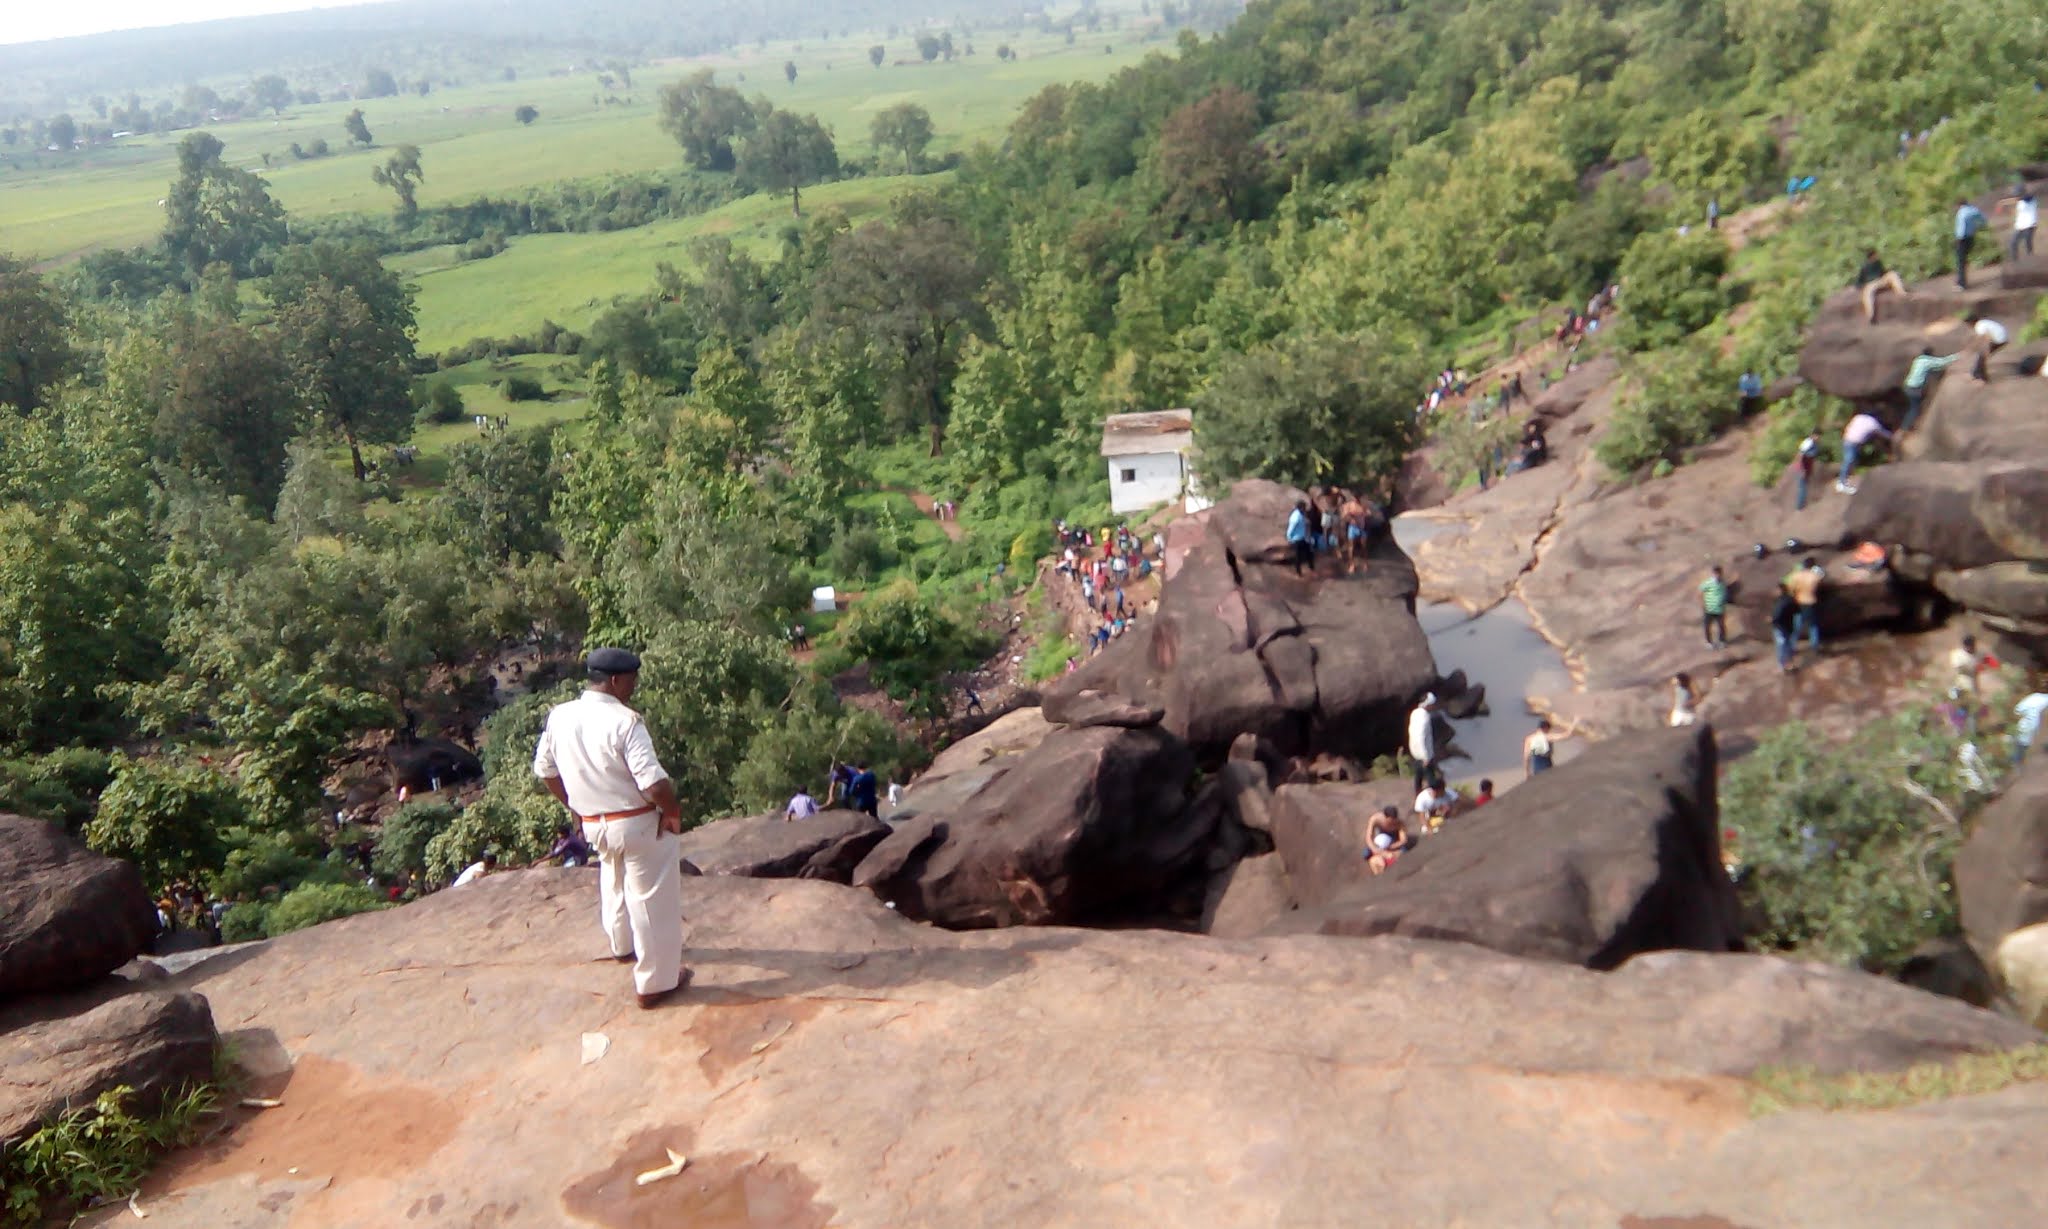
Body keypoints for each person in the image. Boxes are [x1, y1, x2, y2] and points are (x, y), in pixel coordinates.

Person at [533, 647, 689, 1010]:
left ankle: (622, 946)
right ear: (617, 681)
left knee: (613, 879)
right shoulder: (625, 721)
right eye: (632, 681)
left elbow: (545, 770)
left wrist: (574, 806)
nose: (633, 688)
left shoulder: (561, 715)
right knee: (651, 900)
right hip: (634, 820)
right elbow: (652, 783)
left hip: (594, 824)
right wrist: (673, 811)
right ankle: (654, 984)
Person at [1902, 347, 1961, 433]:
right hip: (1915, 389)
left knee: (1911, 407)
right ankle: (1907, 428)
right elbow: (1942, 363)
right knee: (1914, 409)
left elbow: (1936, 367)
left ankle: (1905, 426)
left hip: (1907, 386)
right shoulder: (1927, 361)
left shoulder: (1918, 360)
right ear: (1930, 354)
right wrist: (1958, 356)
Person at [1837, 412, 1893, 494]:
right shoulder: (1873, 423)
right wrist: (1892, 436)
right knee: (1849, 460)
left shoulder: (1859, 417)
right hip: (1854, 442)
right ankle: (1842, 483)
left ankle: (1845, 478)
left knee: (1851, 460)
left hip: (1847, 439)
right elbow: (1882, 433)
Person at [1855, 250, 1911, 323]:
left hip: (1881, 280)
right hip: (1871, 283)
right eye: (1875, 255)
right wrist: (1863, 286)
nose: (1877, 257)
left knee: (1893, 274)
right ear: (1871, 256)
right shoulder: (1864, 267)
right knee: (1867, 294)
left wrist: (1889, 272)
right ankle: (1870, 315)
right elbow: (1859, 282)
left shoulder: (1878, 263)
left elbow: (1883, 272)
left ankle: (1901, 292)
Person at [1784, 557, 1824, 655]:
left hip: (1798, 602)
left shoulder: (1795, 576)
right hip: (1810, 602)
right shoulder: (1814, 576)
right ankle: (1815, 646)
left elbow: (1789, 588)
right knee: (1813, 626)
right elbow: (1820, 585)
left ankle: (1792, 646)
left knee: (1796, 626)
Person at [1364, 806, 1411, 875]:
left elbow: (1403, 840)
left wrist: (1390, 847)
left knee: (1404, 851)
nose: (1391, 823)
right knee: (1366, 853)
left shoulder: (1399, 823)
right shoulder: (1376, 819)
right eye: (1389, 821)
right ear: (1385, 817)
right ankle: (1377, 861)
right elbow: (1369, 838)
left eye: (1393, 821)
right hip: (1381, 840)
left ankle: (1388, 861)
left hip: (1393, 841)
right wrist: (1376, 850)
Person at [1955, 197, 1988, 289]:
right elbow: (1983, 220)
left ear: (1959, 205)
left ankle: (1961, 284)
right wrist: (1978, 226)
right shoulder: (1973, 210)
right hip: (1971, 237)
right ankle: (1960, 281)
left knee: (1960, 261)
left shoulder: (1961, 213)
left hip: (1962, 239)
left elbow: (1961, 228)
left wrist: (1958, 239)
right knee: (1964, 260)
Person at [1407, 693, 1439, 788]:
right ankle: (1434, 799)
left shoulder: (1414, 713)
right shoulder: (1425, 716)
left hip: (1415, 752)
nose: (1434, 706)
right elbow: (1421, 736)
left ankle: (1417, 794)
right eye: (1432, 704)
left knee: (1418, 777)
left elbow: (1412, 732)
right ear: (1428, 705)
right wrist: (1426, 756)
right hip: (1424, 754)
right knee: (1431, 778)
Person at [1967, 314, 2009, 382]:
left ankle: (1982, 376)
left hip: (1999, 340)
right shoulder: (1982, 323)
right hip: (2002, 338)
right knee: (1981, 356)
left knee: (1982, 356)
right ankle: (1976, 372)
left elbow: (1987, 337)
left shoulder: (1979, 326)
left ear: (1971, 322)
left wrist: (1986, 349)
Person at [1770, 581, 1800, 673]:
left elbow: (1778, 615)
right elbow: (1797, 610)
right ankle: (1790, 662)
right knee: (1788, 644)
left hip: (1780, 626)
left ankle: (1783, 665)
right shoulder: (1791, 599)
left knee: (1782, 645)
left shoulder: (1781, 602)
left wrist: (1771, 620)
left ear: (1780, 590)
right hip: (1789, 625)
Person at [2013, 690, 2048, 766]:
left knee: (2020, 748)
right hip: (2033, 730)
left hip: (2025, 727)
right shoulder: (2043, 700)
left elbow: (2017, 711)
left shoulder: (2034, 697)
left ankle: (2017, 766)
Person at [2004, 182, 2038, 260]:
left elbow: (2026, 197)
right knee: (2012, 243)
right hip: (2020, 226)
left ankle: (2032, 262)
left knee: (2027, 245)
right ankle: (2015, 262)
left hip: (2030, 225)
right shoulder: (2021, 201)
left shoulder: (2030, 198)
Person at [1699, 565, 1730, 650]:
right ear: (1713, 574)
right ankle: (1709, 642)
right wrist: (1703, 604)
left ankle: (1722, 641)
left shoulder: (1723, 583)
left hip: (1719, 609)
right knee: (1707, 626)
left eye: (1719, 573)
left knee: (1721, 626)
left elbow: (1724, 593)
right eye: (1716, 573)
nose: (1718, 575)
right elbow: (1700, 591)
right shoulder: (1708, 583)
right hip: (1709, 608)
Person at [1948, 634, 1984, 698]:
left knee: (1974, 702)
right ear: (1966, 645)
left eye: (1974, 644)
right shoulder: (1957, 654)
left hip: (1974, 684)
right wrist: (1974, 668)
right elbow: (1959, 667)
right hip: (1960, 683)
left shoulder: (1978, 654)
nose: (1973, 647)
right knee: (1955, 700)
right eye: (1971, 645)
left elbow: (1982, 665)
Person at [1286, 500, 1313, 575]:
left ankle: (1311, 567)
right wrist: (1289, 538)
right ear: (1300, 507)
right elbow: (1291, 528)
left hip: (1303, 537)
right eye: (1304, 507)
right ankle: (1299, 572)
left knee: (1309, 553)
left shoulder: (1301, 514)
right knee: (1298, 556)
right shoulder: (1296, 517)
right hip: (1297, 539)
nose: (1305, 508)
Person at [1794, 433, 1819, 510]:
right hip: (1803, 468)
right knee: (1803, 486)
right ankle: (1800, 505)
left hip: (1806, 468)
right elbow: (1801, 455)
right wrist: (1803, 469)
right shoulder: (1808, 443)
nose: (1818, 438)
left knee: (1804, 486)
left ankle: (1801, 504)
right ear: (1813, 435)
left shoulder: (1812, 443)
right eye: (1817, 436)